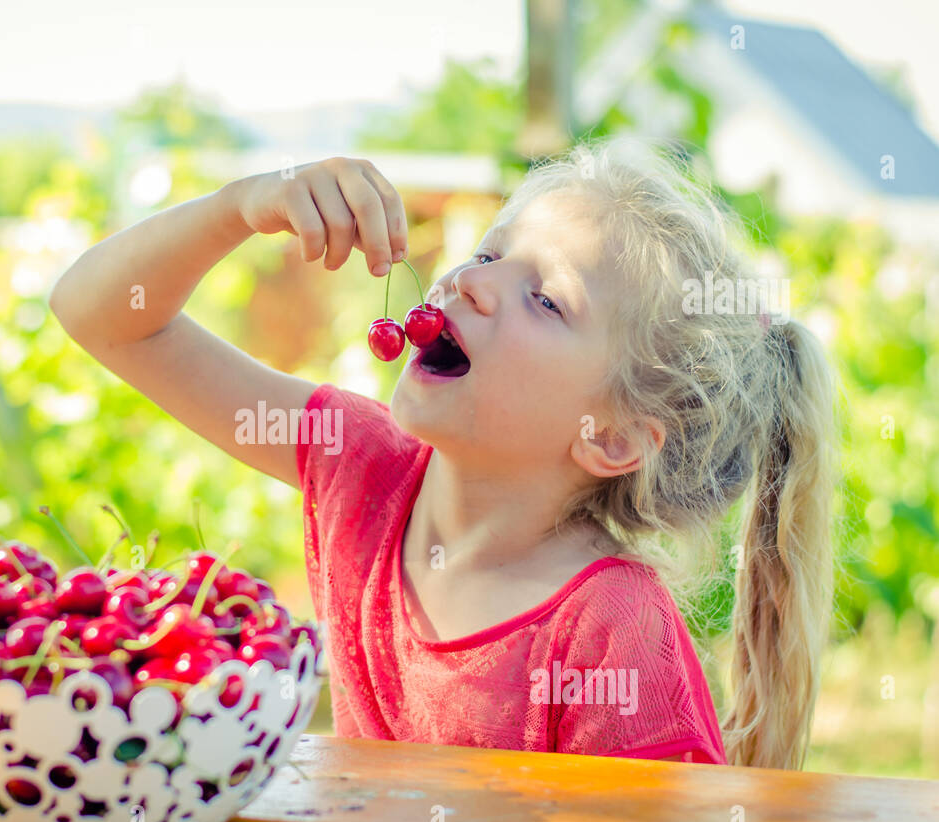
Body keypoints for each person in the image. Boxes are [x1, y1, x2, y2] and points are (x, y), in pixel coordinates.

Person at [48, 138, 838, 770]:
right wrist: (243, 206)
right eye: (491, 254)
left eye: (547, 298)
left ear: (614, 435)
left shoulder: (612, 627)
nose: (470, 282)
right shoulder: (356, 465)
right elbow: (101, 317)